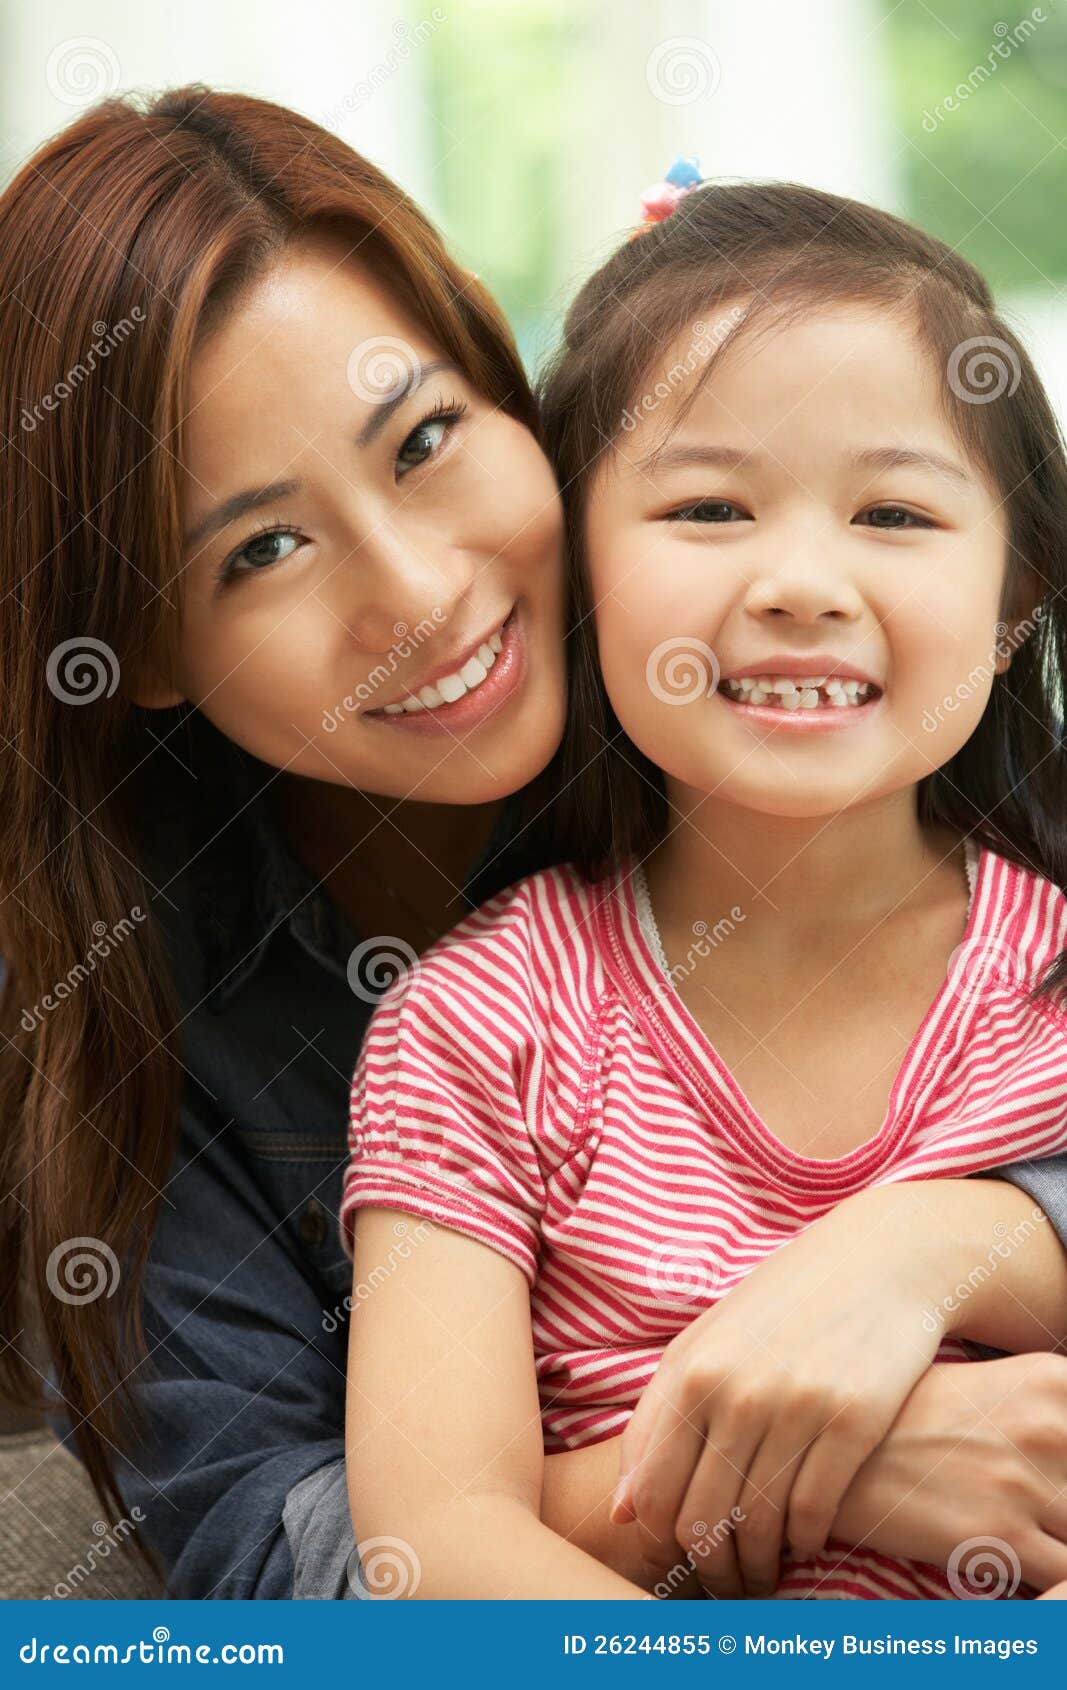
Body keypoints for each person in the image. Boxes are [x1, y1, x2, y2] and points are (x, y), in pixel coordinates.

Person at [1, 98, 1065, 1599]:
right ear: (140, 646)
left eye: (426, 438)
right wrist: (817, 1457)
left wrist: (939, 1240)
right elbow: (325, 1555)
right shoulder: (236, 1011)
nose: (422, 590)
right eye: (260, 547)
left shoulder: (916, 756)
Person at [341, 174, 1067, 1600]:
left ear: (1014, 603)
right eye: (711, 504)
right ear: (581, 574)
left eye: (896, 516)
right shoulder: (478, 1026)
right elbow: (432, 1546)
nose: (802, 580)